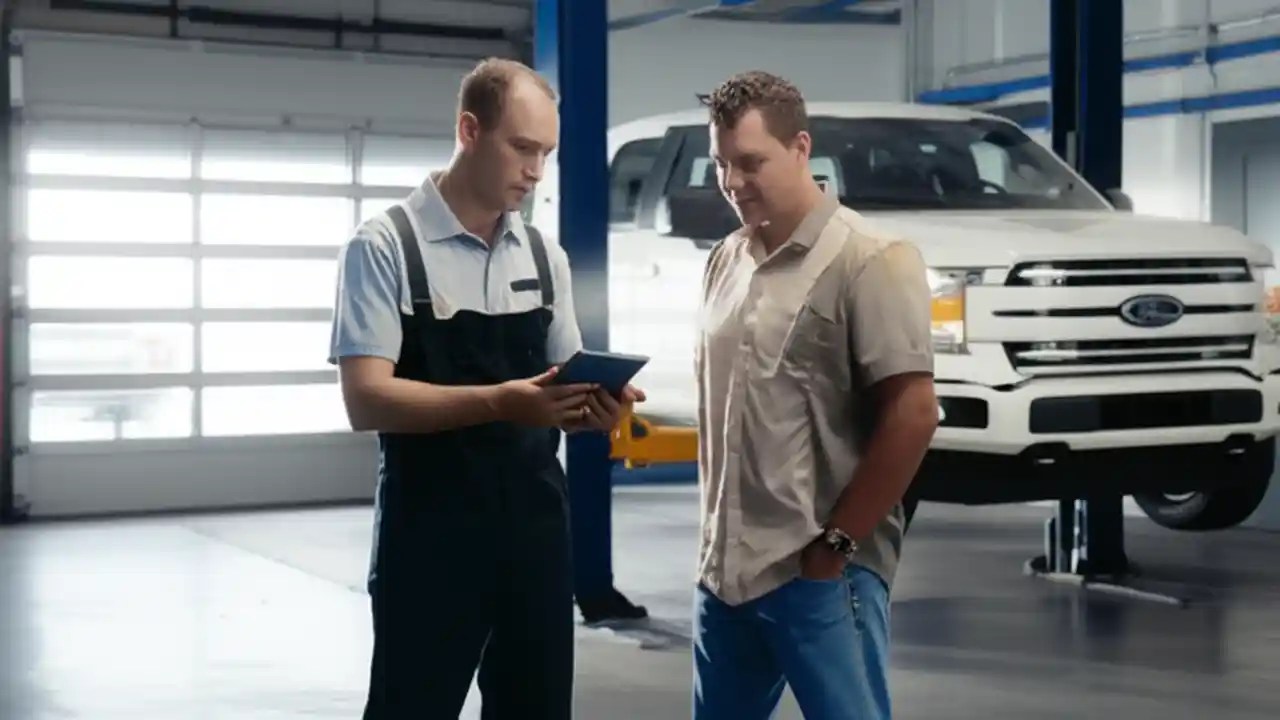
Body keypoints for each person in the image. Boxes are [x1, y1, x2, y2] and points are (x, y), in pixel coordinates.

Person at [328, 57, 642, 719]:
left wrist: (596, 407)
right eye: (522, 148)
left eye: (546, 153)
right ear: (469, 131)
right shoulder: (385, 247)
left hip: (535, 534)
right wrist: (502, 401)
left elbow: (557, 386)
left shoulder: (544, 256)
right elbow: (366, 398)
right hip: (429, 537)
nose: (536, 170)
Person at [691, 71, 939, 720]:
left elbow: (914, 415)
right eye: (720, 164)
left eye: (751, 163)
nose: (732, 182)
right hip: (724, 576)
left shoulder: (871, 259)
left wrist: (835, 548)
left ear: (801, 148)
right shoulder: (725, 260)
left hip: (819, 576)